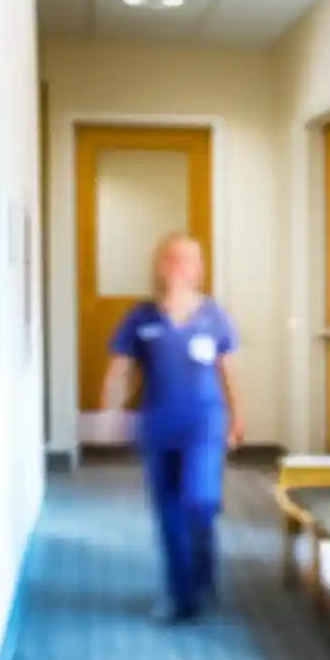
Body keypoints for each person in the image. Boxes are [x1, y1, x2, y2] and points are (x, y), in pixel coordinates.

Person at [101, 232, 244, 623]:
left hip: (204, 424)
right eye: (170, 258)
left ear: (199, 268)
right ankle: (182, 596)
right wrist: (111, 409)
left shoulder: (213, 316)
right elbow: (119, 368)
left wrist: (237, 418)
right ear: (158, 265)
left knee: (199, 500)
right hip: (159, 424)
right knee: (169, 512)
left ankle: (203, 572)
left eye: (186, 259)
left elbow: (227, 372)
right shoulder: (141, 316)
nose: (177, 266)